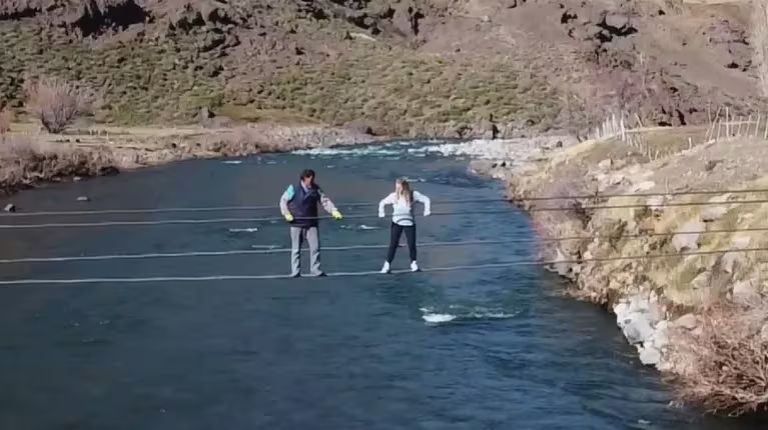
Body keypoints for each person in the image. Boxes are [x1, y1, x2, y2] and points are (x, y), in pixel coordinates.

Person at [279, 169, 343, 277]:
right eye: (309, 178)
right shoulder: (292, 188)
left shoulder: (316, 189)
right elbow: (283, 201)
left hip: (311, 223)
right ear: (303, 179)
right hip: (296, 222)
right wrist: (286, 214)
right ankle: (295, 271)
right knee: (296, 249)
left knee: (315, 247)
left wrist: (333, 211)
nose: (311, 181)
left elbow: (325, 201)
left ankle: (315, 269)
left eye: (312, 178)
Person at [378, 178, 431, 273]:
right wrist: (381, 212)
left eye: (399, 188)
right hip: (397, 222)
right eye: (396, 187)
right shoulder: (393, 196)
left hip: (409, 223)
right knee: (393, 244)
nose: (398, 190)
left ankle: (413, 264)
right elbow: (382, 203)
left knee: (411, 244)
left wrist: (427, 210)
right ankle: (387, 265)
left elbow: (426, 200)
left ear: (405, 187)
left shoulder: (413, 194)